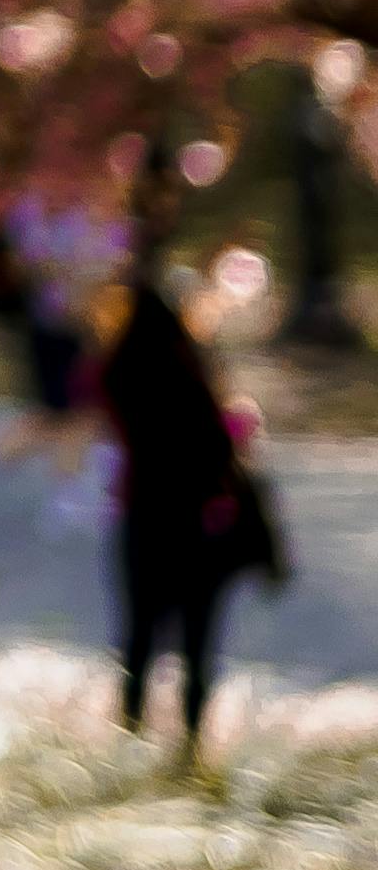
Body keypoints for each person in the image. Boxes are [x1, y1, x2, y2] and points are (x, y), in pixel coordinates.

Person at [100, 264, 286, 757]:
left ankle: (130, 734)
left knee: (139, 638)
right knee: (196, 644)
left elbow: (97, 396)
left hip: (142, 522)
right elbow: (223, 449)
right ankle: (190, 745)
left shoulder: (122, 373)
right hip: (196, 529)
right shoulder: (191, 376)